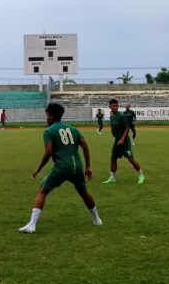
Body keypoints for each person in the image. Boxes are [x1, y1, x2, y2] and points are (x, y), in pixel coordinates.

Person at [19, 102, 102, 234]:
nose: (46, 118)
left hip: (62, 166)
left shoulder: (49, 131)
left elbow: (48, 152)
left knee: (42, 191)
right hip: (77, 166)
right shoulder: (73, 129)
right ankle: (97, 219)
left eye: (47, 115)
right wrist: (88, 167)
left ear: (51, 116)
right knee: (83, 193)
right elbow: (85, 146)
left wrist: (39, 168)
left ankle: (32, 225)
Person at [102, 98, 145, 184]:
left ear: (118, 106)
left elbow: (127, 127)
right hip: (117, 141)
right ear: (109, 107)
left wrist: (122, 139)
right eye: (113, 106)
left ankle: (141, 175)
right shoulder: (112, 117)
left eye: (116, 106)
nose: (115, 107)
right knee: (113, 158)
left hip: (124, 141)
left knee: (131, 159)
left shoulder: (121, 116)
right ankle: (112, 177)